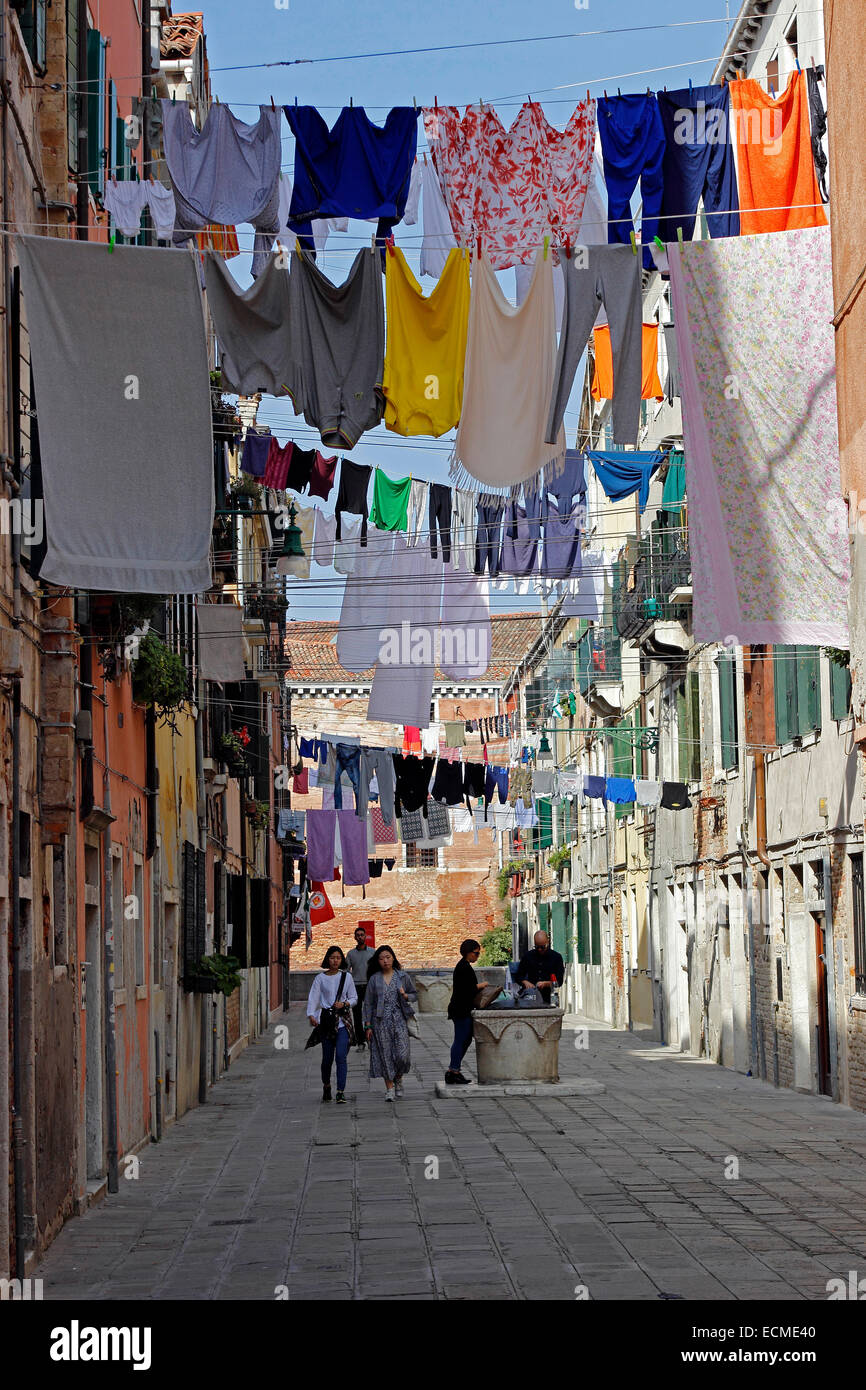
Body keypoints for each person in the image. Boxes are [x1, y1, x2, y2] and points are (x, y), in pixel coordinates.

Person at [362, 945, 417, 1101]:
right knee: (385, 1055)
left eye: (388, 957)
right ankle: (390, 1089)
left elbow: (414, 994)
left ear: (393, 958)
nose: (385, 961)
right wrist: (367, 1025)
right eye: (381, 958)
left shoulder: (402, 977)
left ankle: (398, 1077)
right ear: (377, 961)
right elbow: (368, 1003)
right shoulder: (374, 979)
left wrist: (406, 996)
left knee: (403, 1055)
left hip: (399, 1019)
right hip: (380, 1022)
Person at [307, 945, 357, 1104]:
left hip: (342, 1022)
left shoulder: (347, 977)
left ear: (341, 960)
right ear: (327, 959)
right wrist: (311, 1015)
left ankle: (341, 1091)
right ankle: (326, 1085)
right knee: (327, 1059)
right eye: (332, 957)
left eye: (338, 958)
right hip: (326, 1022)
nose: (335, 960)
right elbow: (313, 998)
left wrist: (345, 1004)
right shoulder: (320, 978)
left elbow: (354, 998)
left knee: (341, 1057)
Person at [445, 938, 488, 1085]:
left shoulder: (464, 966)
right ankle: (453, 1070)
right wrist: (480, 985)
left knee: (465, 1039)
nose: (477, 956)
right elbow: (466, 990)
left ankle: (454, 1070)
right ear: (468, 953)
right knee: (461, 1040)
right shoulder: (463, 967)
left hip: (462, 1008)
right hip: (461, 1009)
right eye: (476, 953)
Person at [515, 930, 565, 1005]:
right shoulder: (527, 956)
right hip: (531, 996)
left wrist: (546, 983)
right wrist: (525, 982)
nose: (539, 950)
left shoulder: (556, 957)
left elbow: (559, 981)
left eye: (542, 947)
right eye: (537, 947)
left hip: (549, 996)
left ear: (547, 943)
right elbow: (518, 976)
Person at [345, 925, 374, 1050]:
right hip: (356, 986)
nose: (360, 937)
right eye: (358, 935)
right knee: (357, 1015)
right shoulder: (351, 954)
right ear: (355, 937)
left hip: (369, 986)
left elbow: (376, 968)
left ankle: (371, 1039)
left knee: (370, 1013)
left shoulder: (372, 952)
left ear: (365, 936)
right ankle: (360, 1041)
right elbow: (346, 971)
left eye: (362, 935)